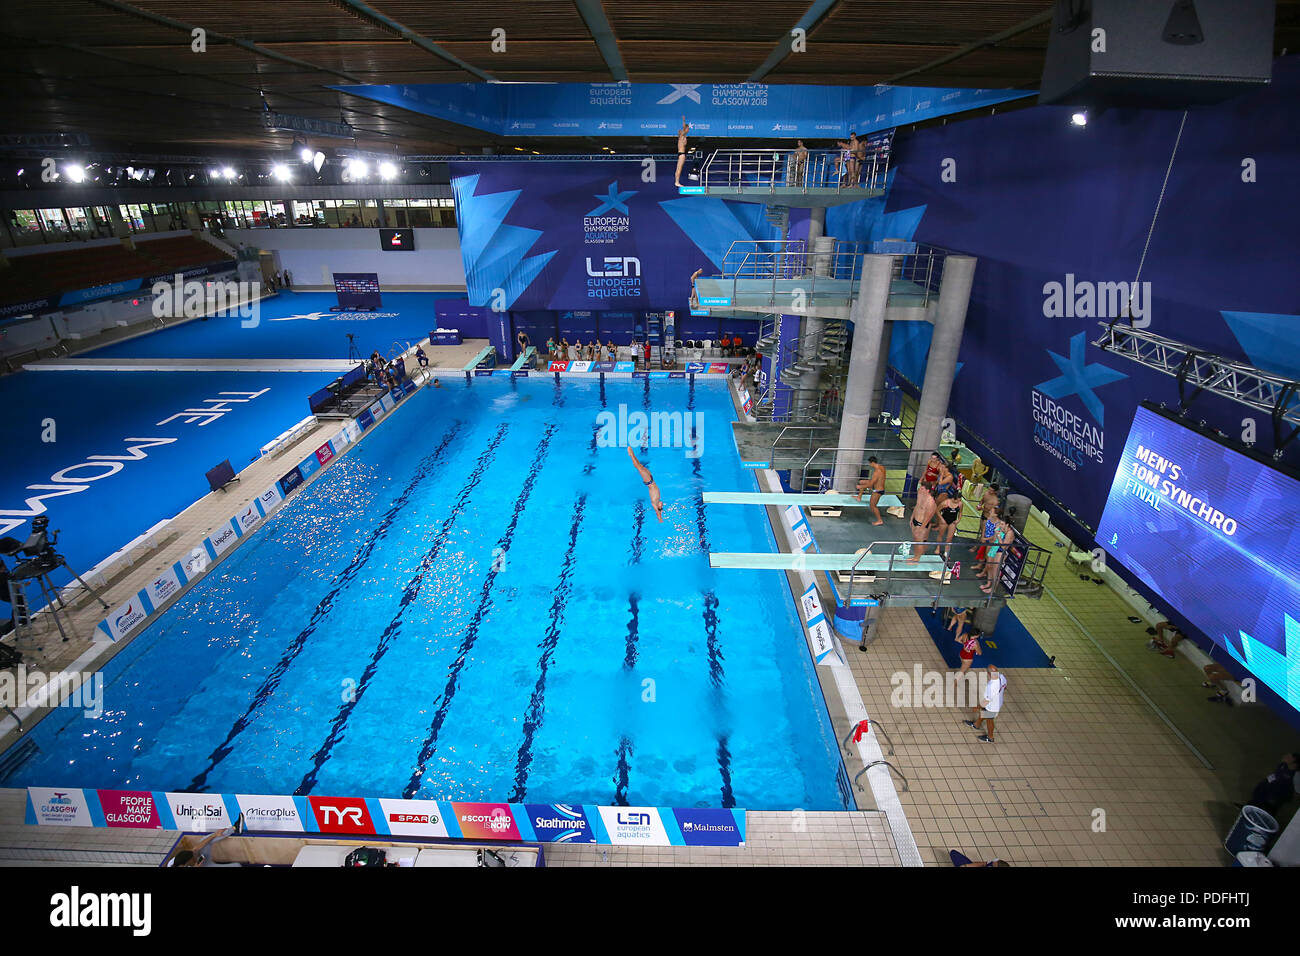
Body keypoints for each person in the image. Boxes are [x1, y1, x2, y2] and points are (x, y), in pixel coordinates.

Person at [167, 814, 245, 867]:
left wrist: (215, 834)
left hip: (201, 863)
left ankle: (235, 828)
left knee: (205, 840)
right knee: (237, 865)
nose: (194, 857)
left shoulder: (172, 863)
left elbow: (196, 848)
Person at [964, 663, 1005, 743]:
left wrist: (977, 707)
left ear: (989, 673)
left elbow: (987, 701)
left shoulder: (992, 686)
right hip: (997, 702)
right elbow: (1004, 687)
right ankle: (977, 724)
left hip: (993, 706)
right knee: (984, 711)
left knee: (989, 720)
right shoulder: (1002, 677)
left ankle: (990, 737)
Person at [626, 446, 665, 523]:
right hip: (651, 479)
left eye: (661, 506)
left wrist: (660, 519)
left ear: (659, 507)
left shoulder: (655, 504)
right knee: (640, 466)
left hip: (649, 481)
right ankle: (632, 455)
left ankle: (631, 455)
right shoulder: (658, 500)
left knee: (638, 467)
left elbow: (658, 514)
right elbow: (660, 509)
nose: (662, 504)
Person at [980, 510, 1014, 595]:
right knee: (990, 566)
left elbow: (1004, 546)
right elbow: (994, 538)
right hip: (995, 547)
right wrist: (996, 532)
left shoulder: (1009, 533)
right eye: (1000, 524)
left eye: (1002, 524)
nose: (1001, 526)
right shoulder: (1000, 528)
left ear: (1007, 525)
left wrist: (999, 536)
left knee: (996, 571)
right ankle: (988, 583)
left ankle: (992, 589)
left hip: (1001, 551)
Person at [907, 482, 937, 563]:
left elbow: (928, 517)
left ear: (927, 491)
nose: (920, 489)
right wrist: (912, 518)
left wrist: (921, 528)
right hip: (915, 521)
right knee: (916, 540)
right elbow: (917, 506)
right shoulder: (920, 495)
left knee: (919, 541)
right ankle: (917, 555)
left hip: (922, 524)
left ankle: (917, 558)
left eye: (922, 489)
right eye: (920, 488)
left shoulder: (930, 502)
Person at [854, 456, 887, 526]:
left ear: (872, 463)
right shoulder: (882, 467)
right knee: (862, 481)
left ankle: (880, 520)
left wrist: (860, 487)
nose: (869, 465)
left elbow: (870, 485)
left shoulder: (876, 472)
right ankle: (859, 497)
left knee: (873, 506)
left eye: (870, 463)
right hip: (879, 487)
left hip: (878, 491)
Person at [674, 116, 690, 187]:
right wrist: (684, 121)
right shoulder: (682, 136)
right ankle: (677, 182)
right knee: (679, 169)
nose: (688, 130)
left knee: (678, 169)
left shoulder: (683, 136)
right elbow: (684, 128)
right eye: (688, 129)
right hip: (682, 154)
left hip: (681, 154)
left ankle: (677, 182)